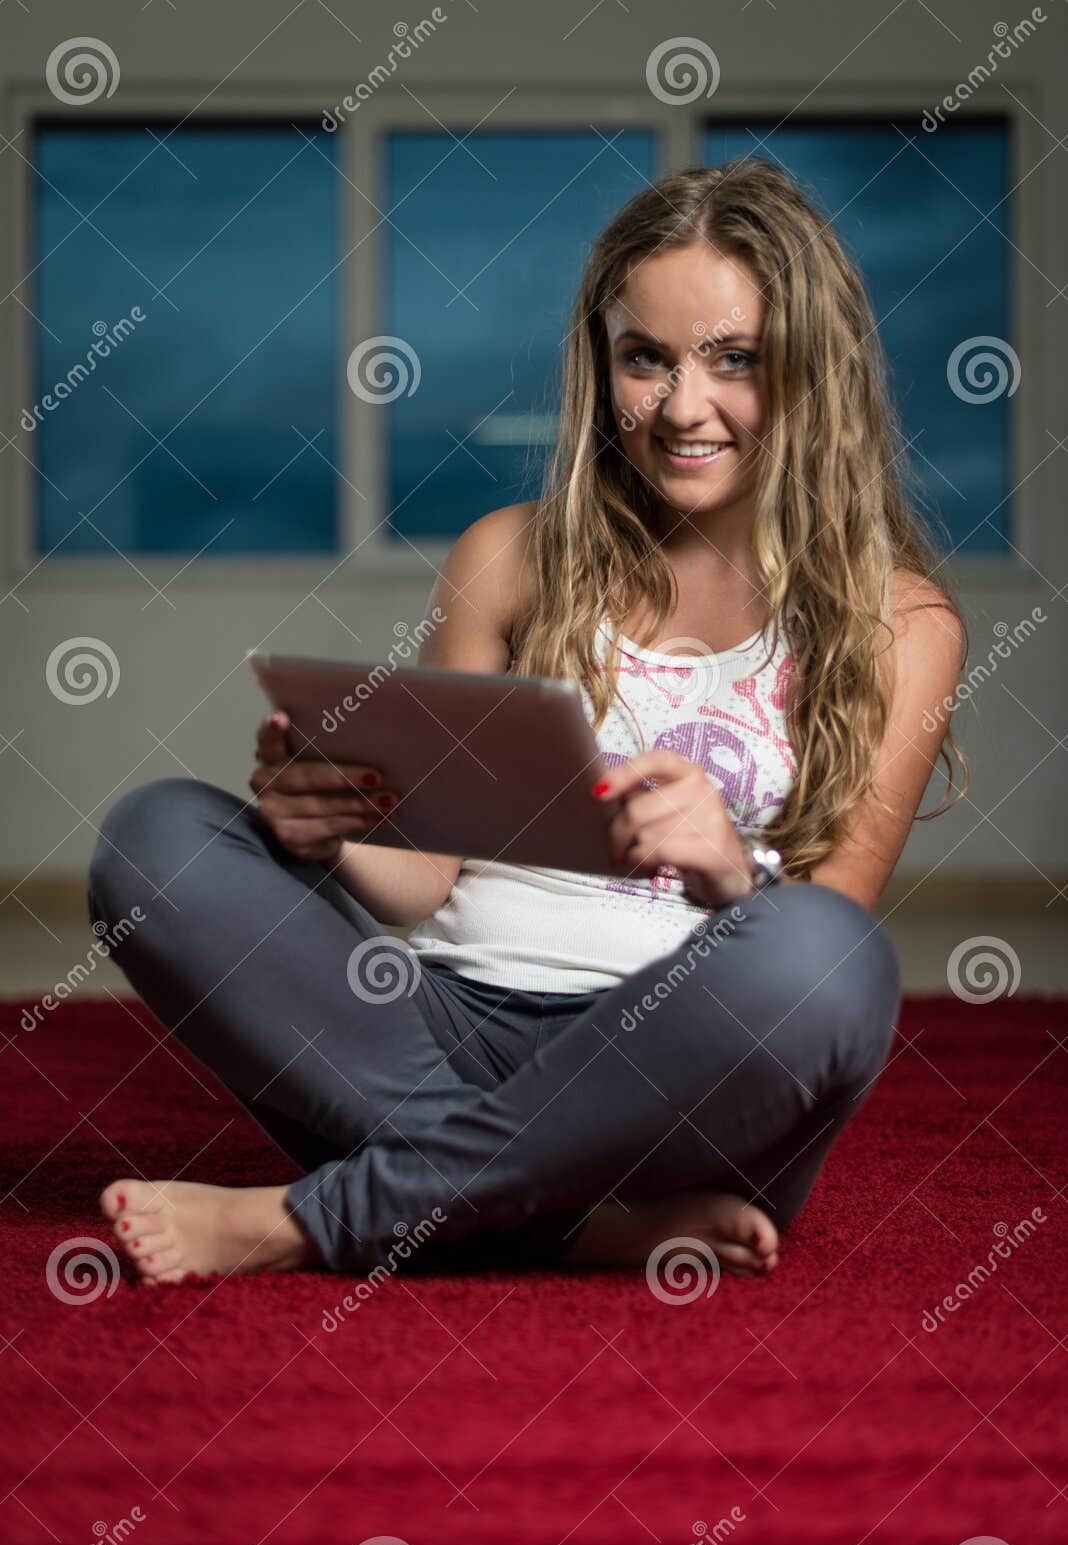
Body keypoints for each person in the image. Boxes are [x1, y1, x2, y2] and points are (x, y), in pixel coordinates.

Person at [88, 158, 967, 1287]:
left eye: (733, 359)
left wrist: (730, 886)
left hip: (684, 1069)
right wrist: (336, 826)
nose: (682, 406)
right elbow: (427, 878)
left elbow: (825, 937)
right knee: (156, 838)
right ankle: (566, 1222)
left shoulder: (903, 620)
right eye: (646, 357)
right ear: (602, 366)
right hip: (444, 1022)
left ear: (810, 370)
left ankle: (316, 1221)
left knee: (828, 959)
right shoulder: (507, 556)